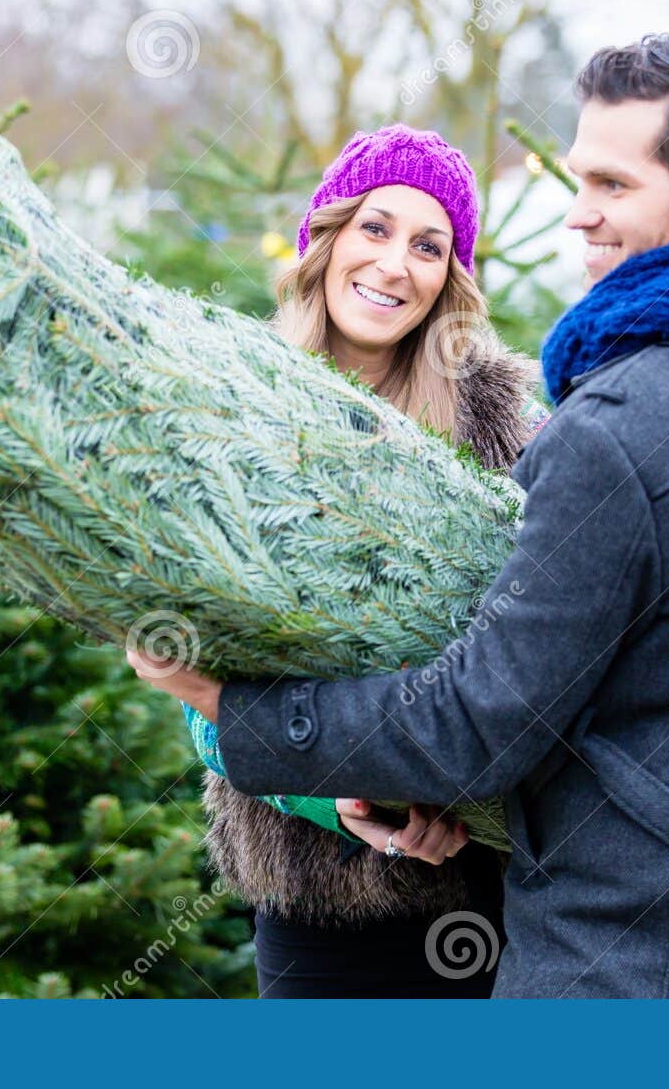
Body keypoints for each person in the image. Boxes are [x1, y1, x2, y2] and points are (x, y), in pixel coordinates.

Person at [131, 32, 669, 998]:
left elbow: (482, 721)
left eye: (613, 186)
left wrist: (232, 708)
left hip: (609, 966)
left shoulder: (609, 428)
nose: (577, 214)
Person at [181, 124, 549, 998]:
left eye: (430, 246)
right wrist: (337, 801)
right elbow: (198, 695)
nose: (395, 264)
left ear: (449, 278)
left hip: (486, 884)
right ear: (327, 237)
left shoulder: (500, 428)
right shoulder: (241, 412)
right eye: (375, 229)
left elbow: (539, 645)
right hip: (322, 902)